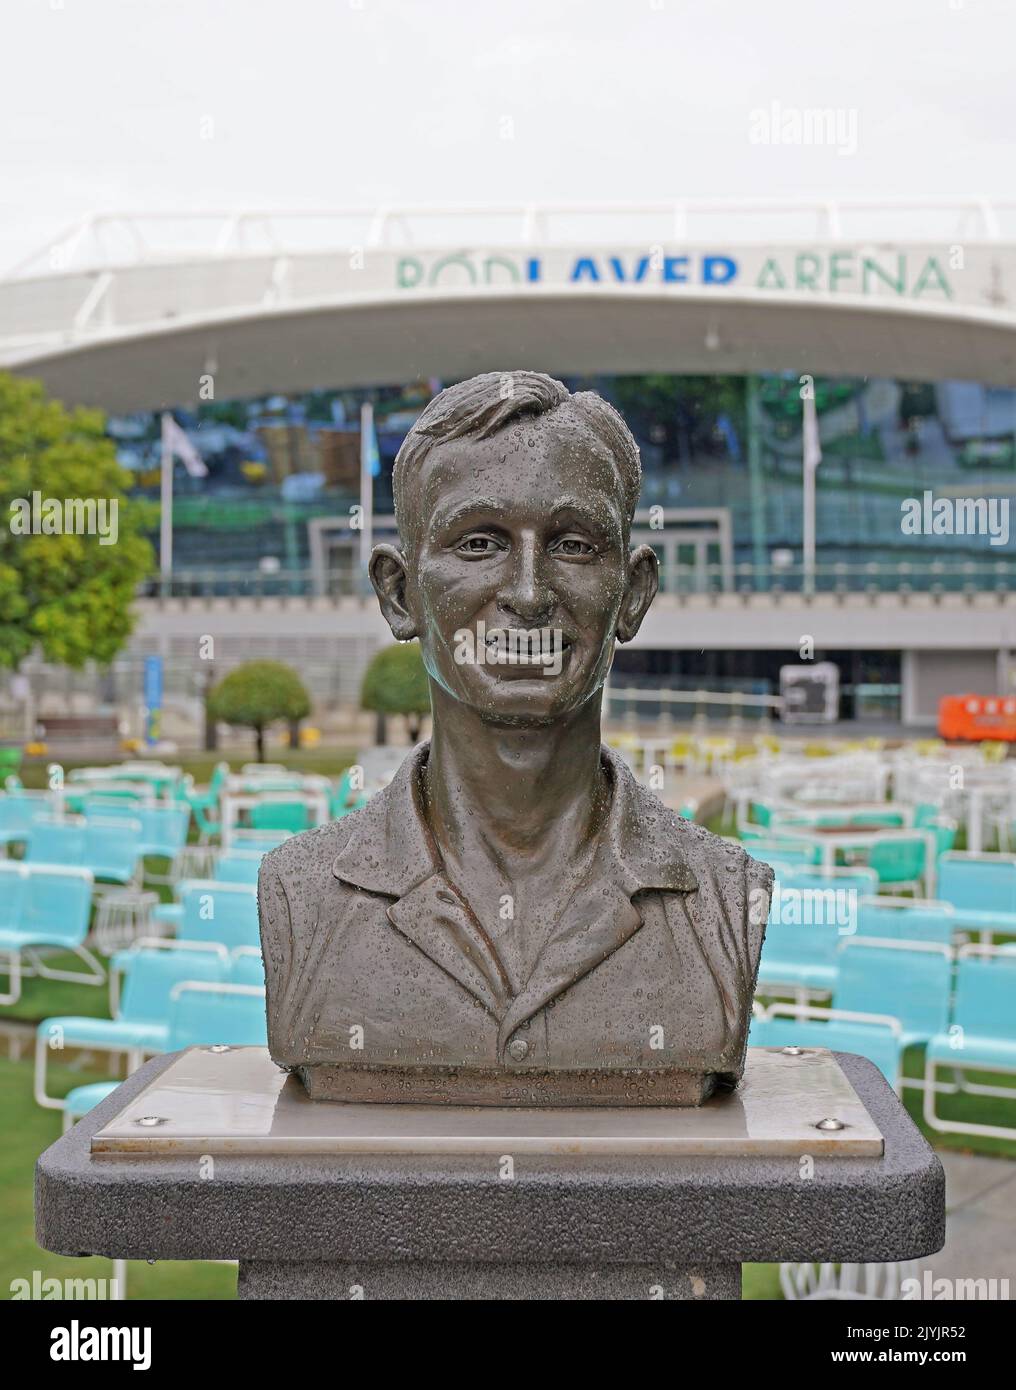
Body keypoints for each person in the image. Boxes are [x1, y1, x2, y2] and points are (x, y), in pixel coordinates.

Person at [258, 371, 771, 1105]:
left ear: (632, 594)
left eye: (571, 543)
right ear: (399, 594)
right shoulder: (302, 892)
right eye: (478, 542)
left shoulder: (723, 896)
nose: (529, 593)